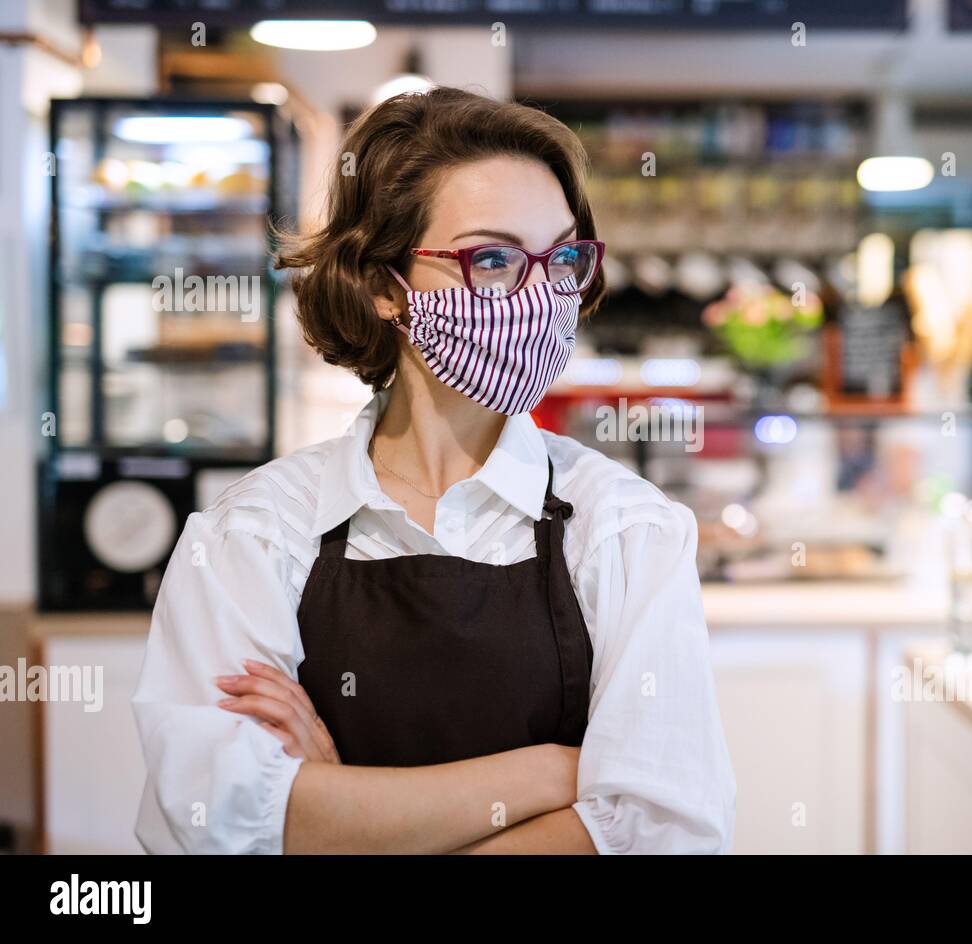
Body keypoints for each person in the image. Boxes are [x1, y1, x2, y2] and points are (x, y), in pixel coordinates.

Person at [130, 88, 736, 854]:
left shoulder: (628, 529)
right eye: (492, 259)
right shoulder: (253, 534)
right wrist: (557, 776)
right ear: (386, 288)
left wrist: (339, 807)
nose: (541, 297)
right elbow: (208, 823)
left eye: (564, 258)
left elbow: (665, 829)